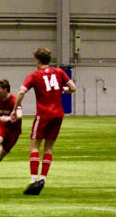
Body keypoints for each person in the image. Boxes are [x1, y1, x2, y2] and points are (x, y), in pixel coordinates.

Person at [11, 47, 76, 195]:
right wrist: (63, 90)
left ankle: (34, 181)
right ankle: (43, 179)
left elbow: (21, 91)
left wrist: (15, 108)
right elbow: (73, 88)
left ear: (38, 60)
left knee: (34, 146)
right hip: (58, 114)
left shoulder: (34, 75)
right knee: (49, 148)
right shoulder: (59, 72)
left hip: (43, 114)